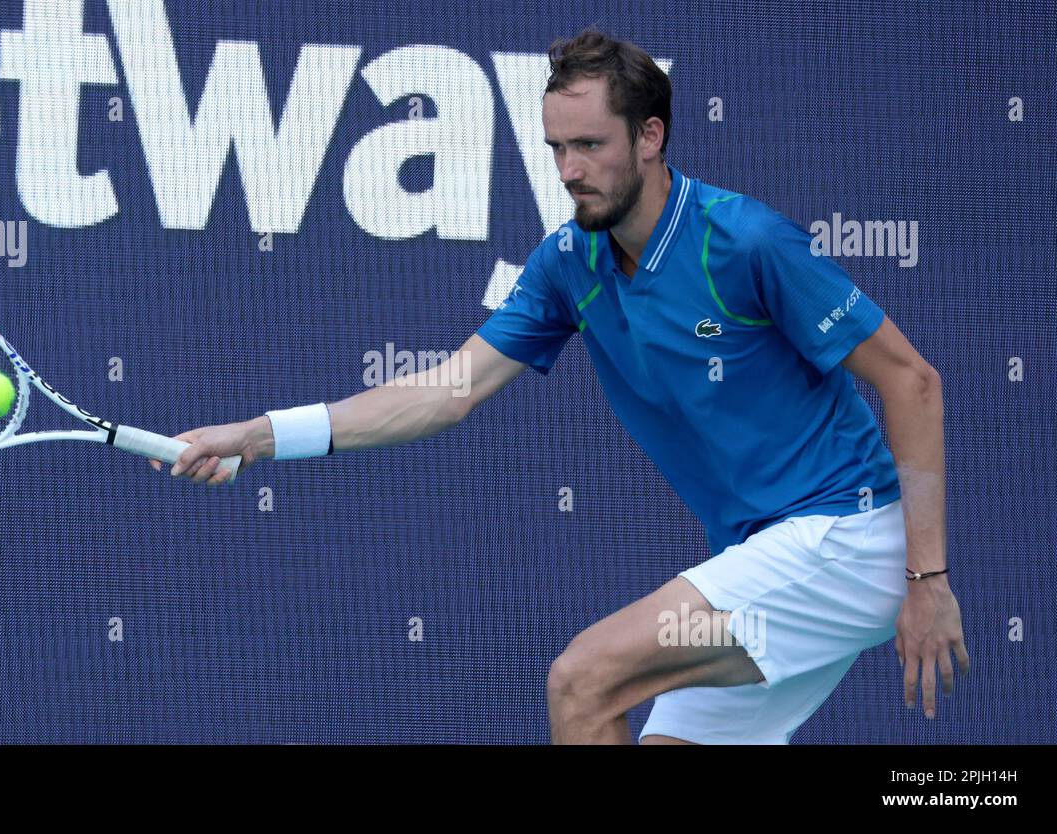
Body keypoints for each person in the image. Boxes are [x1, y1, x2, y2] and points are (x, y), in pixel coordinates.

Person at [150, 27, 969, 744]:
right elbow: (446, 390)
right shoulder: (566, 264)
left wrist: (926, 581)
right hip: (766, 560)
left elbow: (913, 382)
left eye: (590, 146)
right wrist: (258, 435)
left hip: (845, 541)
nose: (570, 170)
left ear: (650, 137)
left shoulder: (745, 242)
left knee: (582, 681)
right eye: (556, 150)